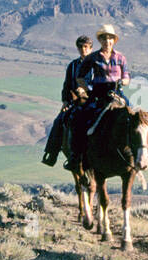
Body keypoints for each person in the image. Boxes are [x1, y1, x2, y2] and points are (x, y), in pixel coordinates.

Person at [67, 23, 130, 172]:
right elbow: (80, 77)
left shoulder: (121, 58)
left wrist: (123, 81)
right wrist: (84, 89)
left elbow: (126, 77)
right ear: (100, 40)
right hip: (98, 94)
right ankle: (76, 156)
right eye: (104, 38)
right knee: (79, 117)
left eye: (110, 38)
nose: (107, 41)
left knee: (135, 118)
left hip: (117, 93)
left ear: (114, 40)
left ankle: (136, 155)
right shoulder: (93, 57)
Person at [41, 35, 95, 166]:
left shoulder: (96, 65)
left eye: (86, 47)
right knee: (59, 120)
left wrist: (87, 90)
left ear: (91, 48)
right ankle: (51, 153)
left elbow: (100, 83)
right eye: (80, 47)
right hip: (75, 102)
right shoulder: (72, 66)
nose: (83, 50)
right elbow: (67, 85)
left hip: (93, 101)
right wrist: (65, 101)